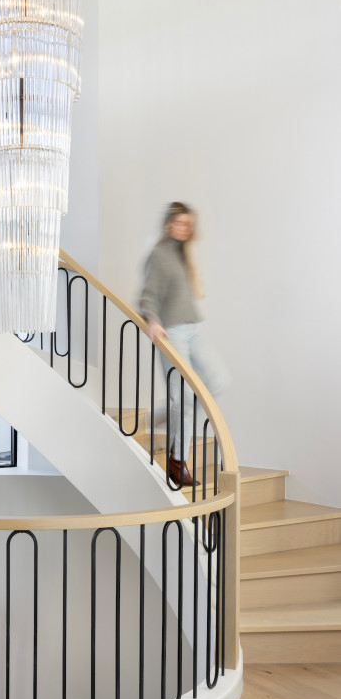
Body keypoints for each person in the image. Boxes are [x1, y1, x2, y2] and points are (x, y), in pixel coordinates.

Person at [140, 201, 229, 487]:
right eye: (179, 223)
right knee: (185, 401)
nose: (184, 229)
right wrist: (152, 320)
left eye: (188, 224)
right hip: (173, 334)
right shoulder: (160, 254)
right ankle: (178, 463)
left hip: (193, 328)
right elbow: (148, 296)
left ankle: (162, 414)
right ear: (168, 224)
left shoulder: (181, 254)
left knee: (216, 381)